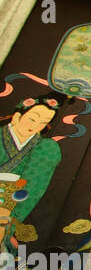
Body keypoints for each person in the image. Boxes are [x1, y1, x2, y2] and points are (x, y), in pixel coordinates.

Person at [0, 93, 63, 255]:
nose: (36, 126)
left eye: (44, 122)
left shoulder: (45, 149)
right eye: (32, 119)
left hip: (7, 210)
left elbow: (32, 189)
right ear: (16, 117)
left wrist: (9, 227)